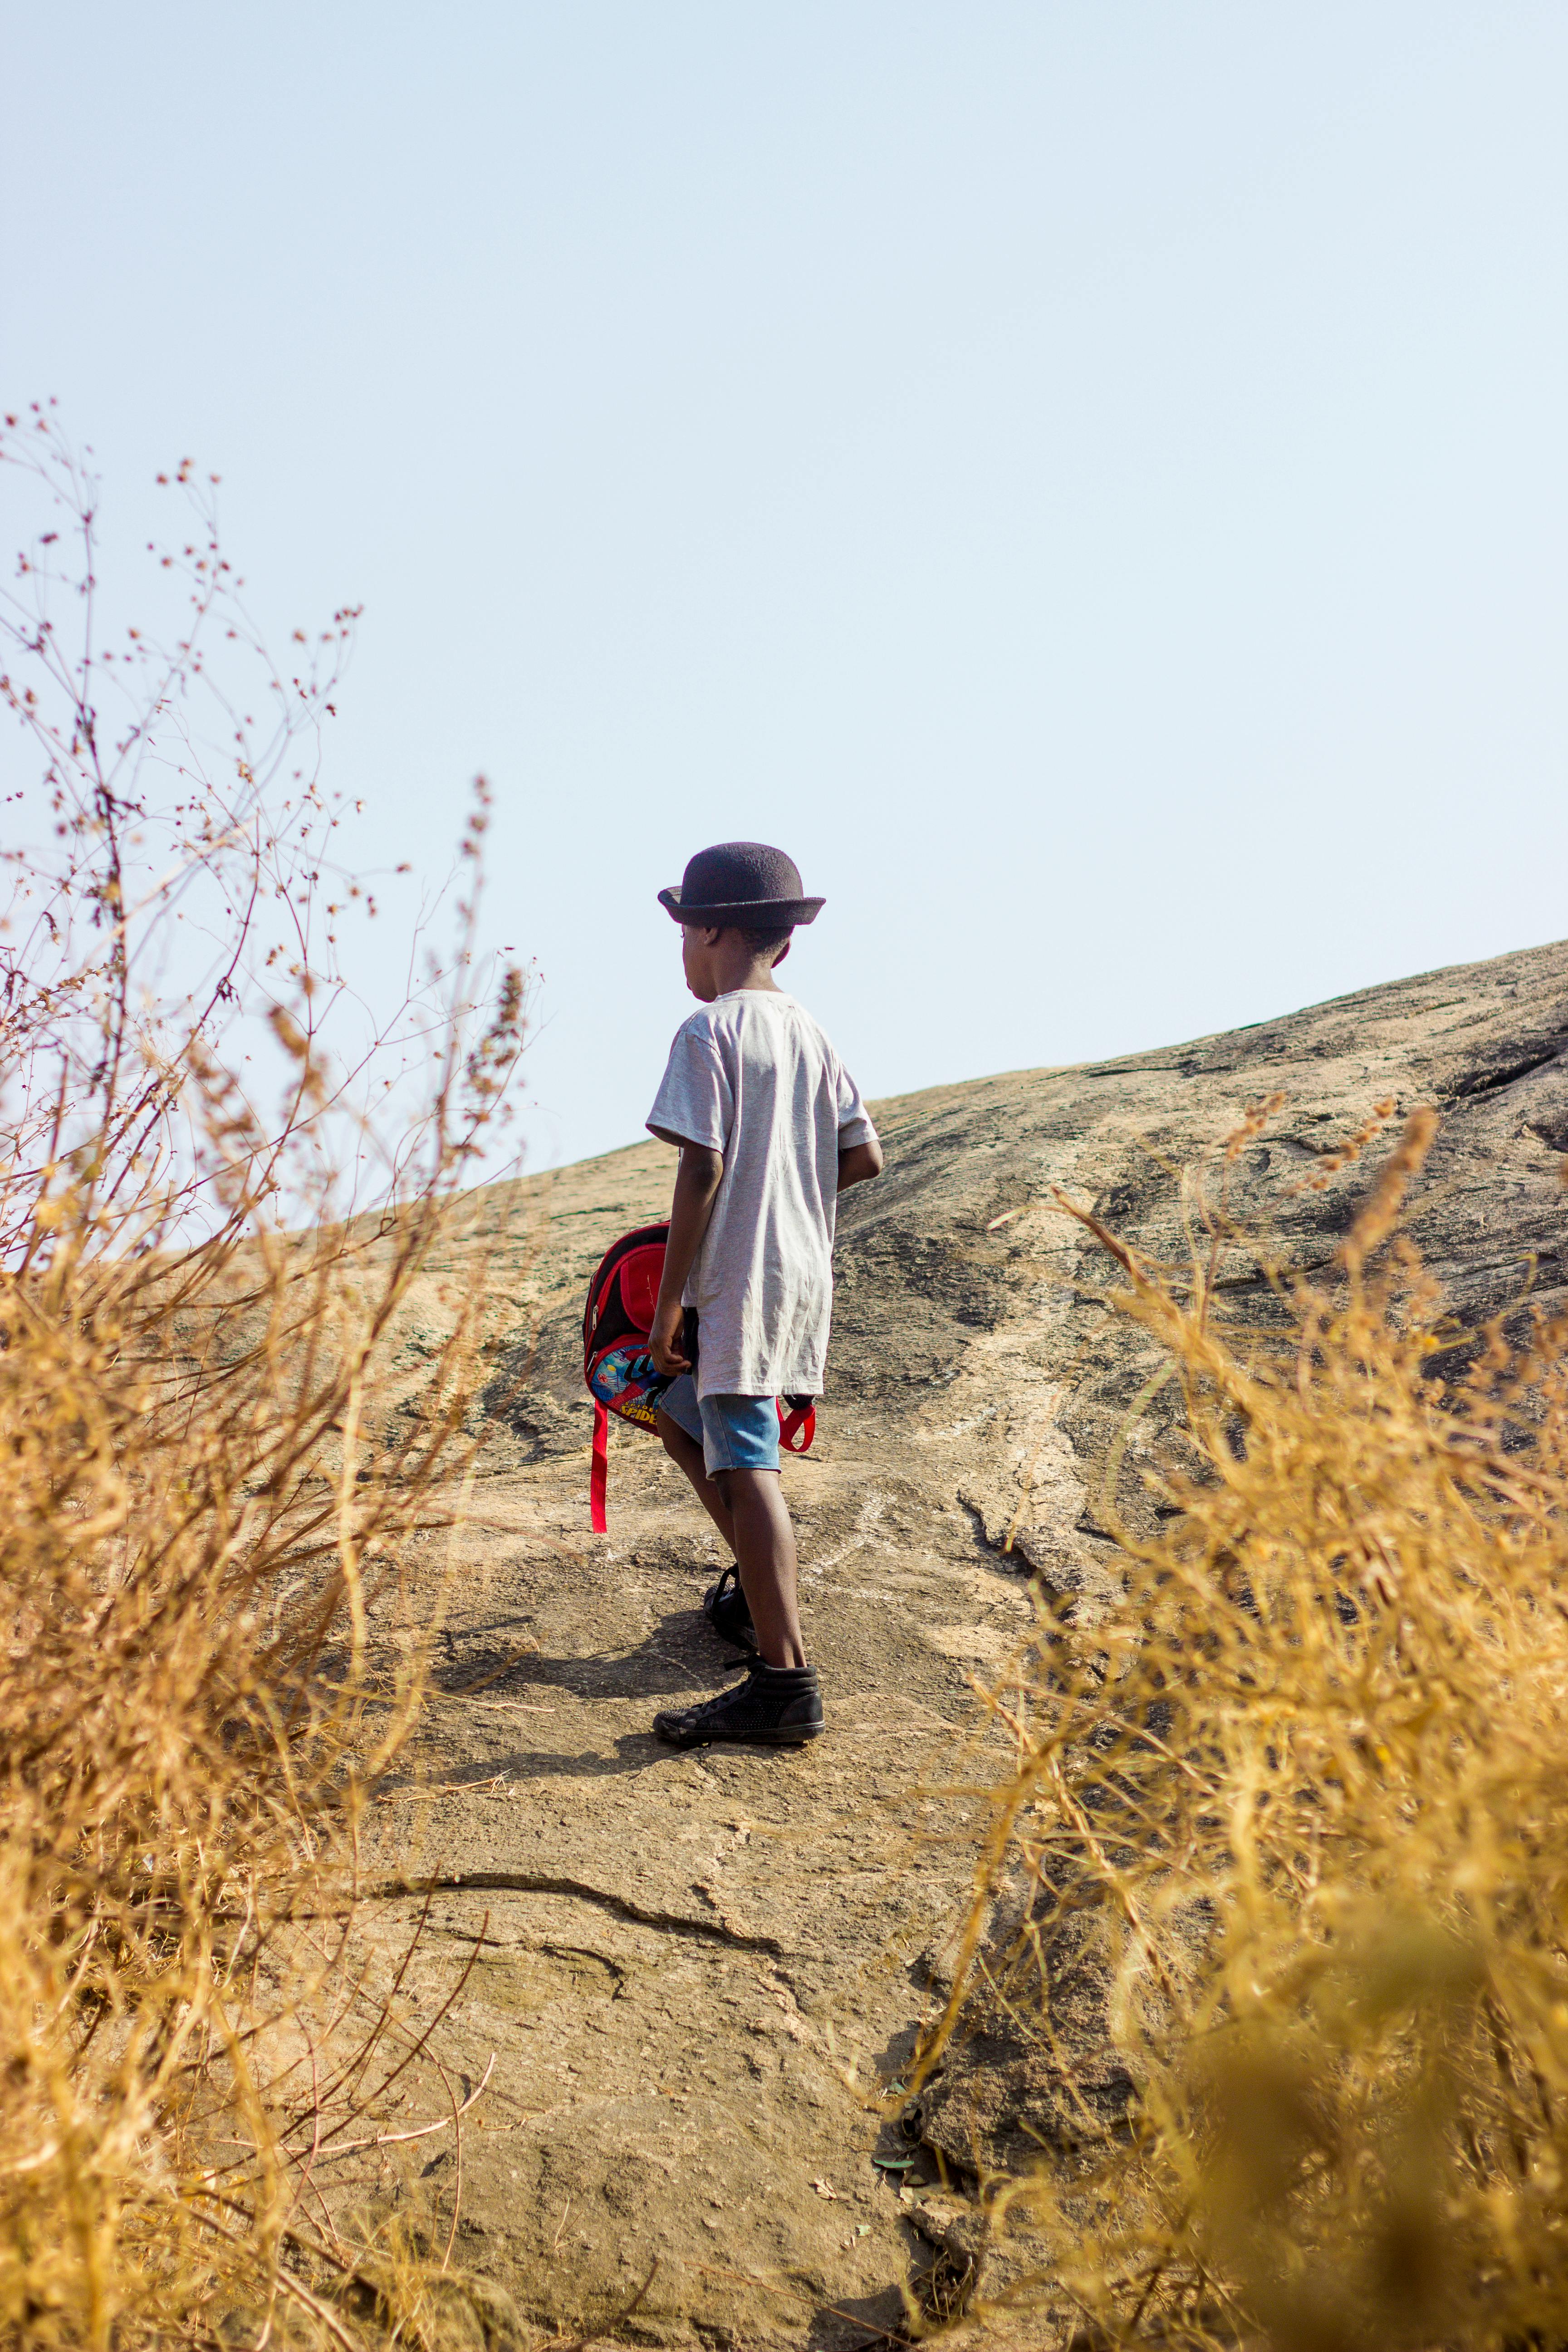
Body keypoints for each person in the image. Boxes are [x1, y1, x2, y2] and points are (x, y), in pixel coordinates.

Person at [644, 841, 882, 1749]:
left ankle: (784, 1682)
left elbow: (701, 1163)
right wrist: (786, 1189)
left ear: (708, 930)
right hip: (797, 1272)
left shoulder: (712, 1032)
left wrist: (670, 1304)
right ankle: (756, 1588)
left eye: (681, 933)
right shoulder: (810, 1033)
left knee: (747, 1460)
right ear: (784, 941)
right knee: (676, 1413)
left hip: (738, 1280)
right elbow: (861, 1156)